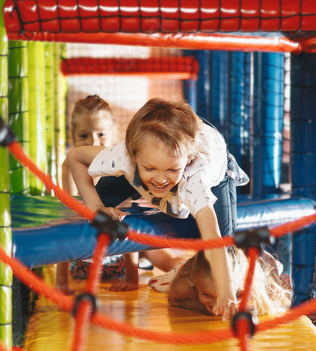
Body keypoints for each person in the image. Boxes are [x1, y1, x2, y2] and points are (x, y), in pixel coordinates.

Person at [66, 98, 249, 317]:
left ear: (186, 161)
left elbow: (214, 241)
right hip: (147, 164)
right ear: (134, 155)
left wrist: (227, 293)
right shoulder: (122, 157)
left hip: (217, 165)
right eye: (150, 167)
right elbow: (74, 158)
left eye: (171, 169)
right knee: (96, 208)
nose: (160, 179)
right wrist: (96, 207)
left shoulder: (195, 179)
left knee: (225, 241)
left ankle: (230, 170)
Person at [56, 95, 178, 294]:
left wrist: (132, 278)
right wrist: (61, 282)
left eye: (101, 134)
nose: (93, 141)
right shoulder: (70, 165)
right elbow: (66, 219)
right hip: (84, 258)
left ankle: (185, 271)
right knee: (65, 219)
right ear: (72, 136)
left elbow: (127, 218)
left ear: (113, 133)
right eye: (84, 136)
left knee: (158, 253)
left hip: (123, 253)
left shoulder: (120, 166)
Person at [156, 247, 293, 316]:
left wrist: (274, 285)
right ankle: (146, 252)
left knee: (272, 271)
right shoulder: (184, 284)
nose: (217, 303)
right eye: (206, 295)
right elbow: (173, 300)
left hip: (248, 265)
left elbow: (267, 259)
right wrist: (205, 309)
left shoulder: (249, 277)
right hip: (185, 268)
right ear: (196, 285)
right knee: (172, 263)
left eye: (236, 294)